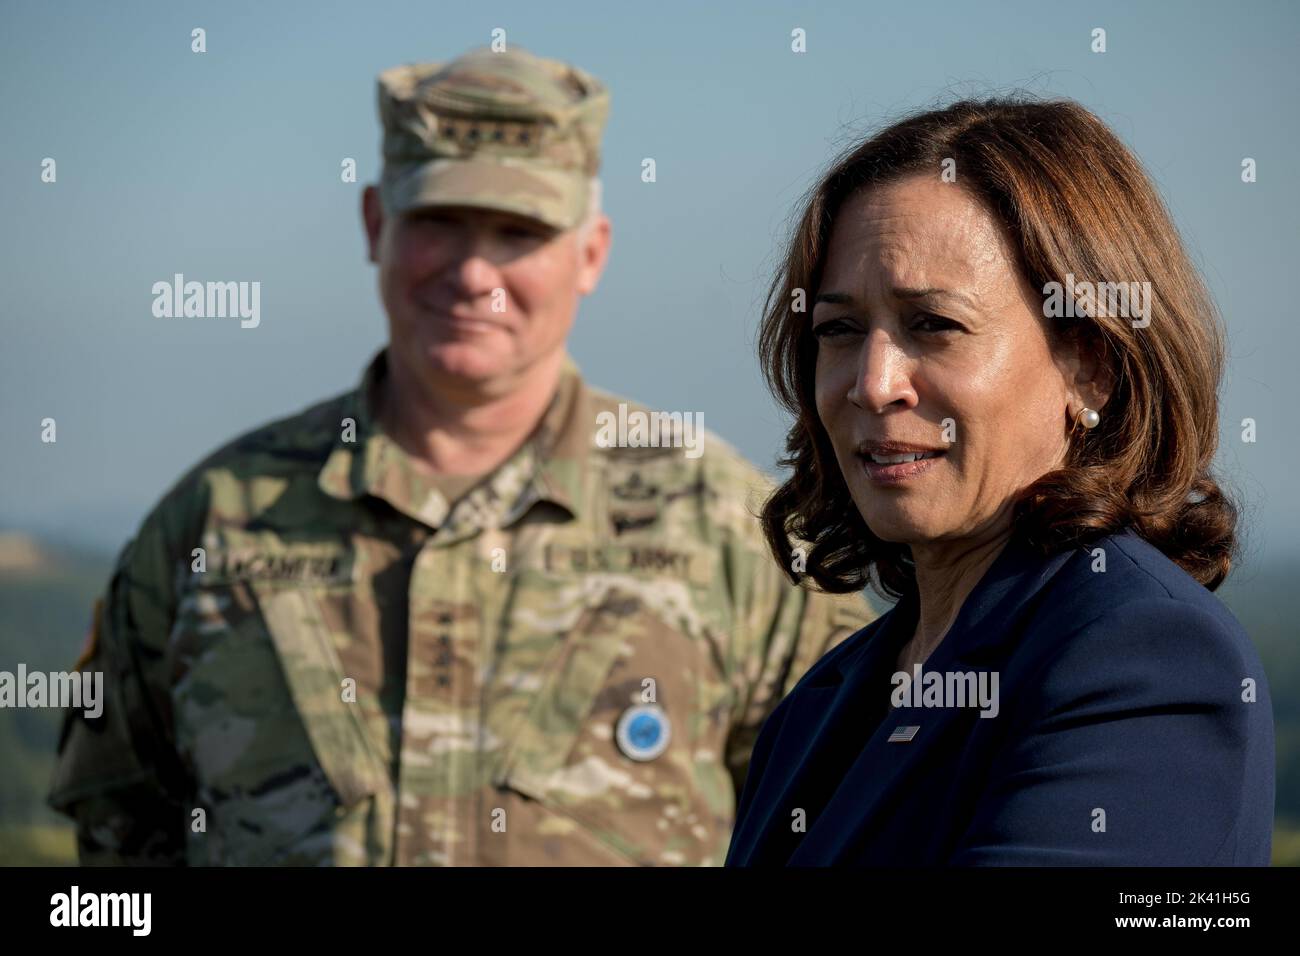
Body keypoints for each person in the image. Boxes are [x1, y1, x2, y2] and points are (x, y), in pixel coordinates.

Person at [48, 47, 873, 866]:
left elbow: (847, 826)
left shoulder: (737, 534)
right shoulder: (213, 524)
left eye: (520, 232)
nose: (474, 270)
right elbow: (119, 845)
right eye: (438, 220)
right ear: (375, 224)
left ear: (591, 253)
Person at [725, 97, 1275, 866]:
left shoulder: (1145, 663)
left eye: (935, 326)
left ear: (1092, 364)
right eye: (838, 330)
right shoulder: (823, 701)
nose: (874, 384)